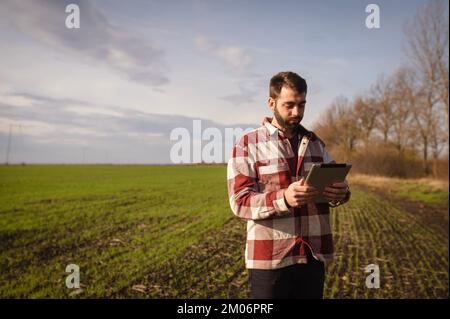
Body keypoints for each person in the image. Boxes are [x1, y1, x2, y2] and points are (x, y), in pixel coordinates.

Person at [227, 71, 351, 299]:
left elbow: (338, 186)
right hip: (269, 261)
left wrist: (341, 193)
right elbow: (239, 202)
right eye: (289, 105)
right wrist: (283, 199)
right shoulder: (247, 144)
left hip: (312, 256)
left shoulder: (315, 143)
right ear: (271, 103)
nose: (297, 112)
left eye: (302, 105)